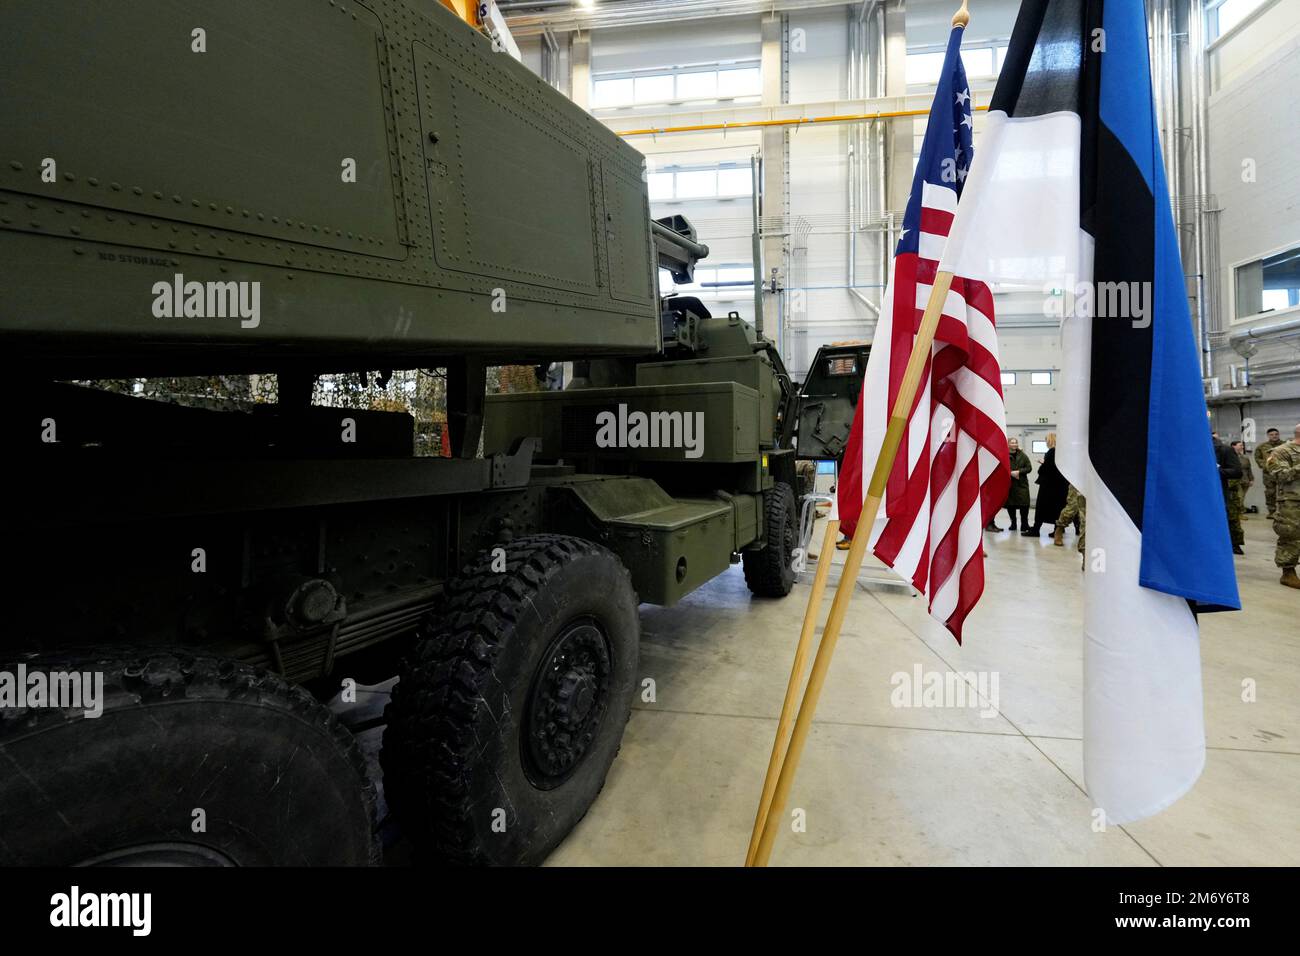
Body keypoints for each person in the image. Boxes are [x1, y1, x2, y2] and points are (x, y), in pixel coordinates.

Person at [1264, 424, 1300, 590]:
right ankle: (1288, 573)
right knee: (1291, 535)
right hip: (1292, 501)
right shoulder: (1279, 452)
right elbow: (1280, 475)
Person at [1022, 432, 1067, 537]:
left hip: (1049, 486)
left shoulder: (1051, 452)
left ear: (1050, 440)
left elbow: (1045, 470)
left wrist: (1042, 465)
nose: (1046, 442)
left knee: (1041, 508)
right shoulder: (1062, 452)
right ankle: (1057, 530)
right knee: (1058, 508)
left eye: (1046, 440)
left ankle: (1036, 530)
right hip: (1060, 486)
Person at [1213, 431, 1243, 552]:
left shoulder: (1223, 449)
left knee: (1231, 518)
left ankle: (1234, 544)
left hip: (1221, 493)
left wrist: (1214, 470)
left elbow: (1237, 472)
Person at [1000, 437, 1033, 531]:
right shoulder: (1004, 455)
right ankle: (1013, 524)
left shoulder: (1023, 455)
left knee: (1024, 505)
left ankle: (1024, 524)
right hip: (1010, 485)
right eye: (1012, 443)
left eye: (1016, 443)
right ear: (1008, 444)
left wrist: (1019, 472)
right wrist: (1010, 473)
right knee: (1011, 505)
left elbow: (1029, 468)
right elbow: (1001, 467)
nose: (1014, 444)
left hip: (1022, 485)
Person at [1226, 439, 1253, 555]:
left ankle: (1236, 544)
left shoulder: (1243, 458)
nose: (1241, 447)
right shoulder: (1223, 460)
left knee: (1234, 519)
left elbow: (1248, 470)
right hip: (1227, 491)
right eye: (1239, 445)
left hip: (1234, 491)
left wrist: (1250, 479)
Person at [1255, 427, 1284, 519]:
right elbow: (1258, 458)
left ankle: (1283, 512)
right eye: (1271, 435)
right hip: (1269, 474)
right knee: (1270, 493)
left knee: (1284, 492)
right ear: (1268, 436)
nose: (1274, 436)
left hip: (1283, 473)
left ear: (1278, 434)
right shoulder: (1262, 447)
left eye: (1276, 434)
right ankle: (1272, 511)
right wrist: (1265, 466)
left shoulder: (1285, 445)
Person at [1054, 484, 1085, 553]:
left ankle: (1084, 546)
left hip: (1095, 480)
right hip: (1077, 480)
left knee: (1086, 514)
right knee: (1072, 508)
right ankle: (1059, 528)